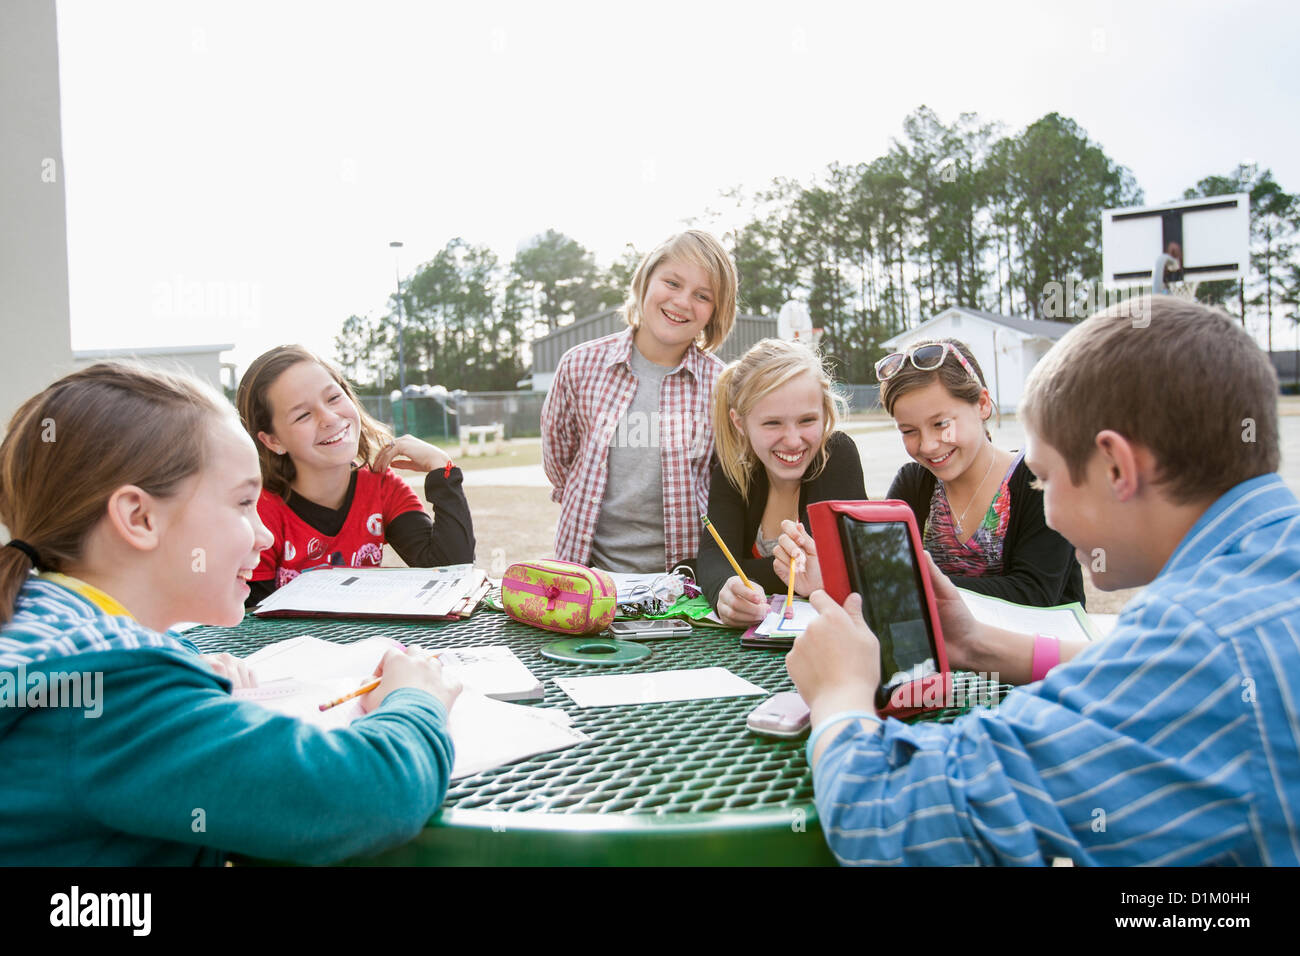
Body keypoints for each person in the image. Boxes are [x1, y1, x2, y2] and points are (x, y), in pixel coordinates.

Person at [786, 297, 1300, 865]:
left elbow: (886, 818)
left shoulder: (1197, 645)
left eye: (1047, 478)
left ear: (1116, 469)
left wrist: (838, 694)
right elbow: (1135, 666)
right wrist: (977, 643)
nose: (1046, 511)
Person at [0, 363, 460, 865]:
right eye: (243, 502)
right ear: (139, 518)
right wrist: (416, 697)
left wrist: (185, 672)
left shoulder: (48, 627)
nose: (263, 536)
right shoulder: (111, 693)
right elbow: (371, 798)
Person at [541, 229, 738, 574]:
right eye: (673, 283)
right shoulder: (581, 364)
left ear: (715, 312)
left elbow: (726, 484)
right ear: (646, 280)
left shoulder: (722, 386)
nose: (681, 302)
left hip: (686, 579)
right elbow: (559, 459)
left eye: (702, 295)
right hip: (587, 573)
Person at [237, 345, 475, 605]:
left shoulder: (381, 487)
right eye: (303, 414)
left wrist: (443, 469)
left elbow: (452, 571)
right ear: (272, 440)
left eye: (333, 398)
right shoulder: (260, 513)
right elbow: (251, 625)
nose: (329, 418)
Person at [878, 337, 1084, 608]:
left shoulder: (1039, 480)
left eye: (941, 424)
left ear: (982, 404)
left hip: (1031, 648)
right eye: (908, 431)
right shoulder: (914, 485)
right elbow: (879, 577)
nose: (927, 445)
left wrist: (915, 583)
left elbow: (1034, 593)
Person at [699, 338, 866, 627]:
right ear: (740, 423)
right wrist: (726, 589)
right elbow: (715, 555)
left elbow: (833, 565)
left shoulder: (837, 456)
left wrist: (730, 570)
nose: (792, 440)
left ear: (825, 413)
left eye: (806, 421)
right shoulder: (733, 472)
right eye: (772, 423)